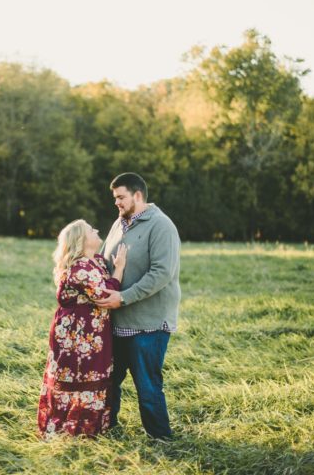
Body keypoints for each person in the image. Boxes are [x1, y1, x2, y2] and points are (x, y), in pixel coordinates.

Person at [94, 172, 181, 440]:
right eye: (115, 198)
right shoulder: (119, 223)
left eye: (121, 197)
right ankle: (107, 430)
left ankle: (161, 440)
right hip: (118, 322)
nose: (117, 203)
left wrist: (123, 297)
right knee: (108, 382)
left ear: (138, 195)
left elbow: (161, 273)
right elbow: (104, 260)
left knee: (147, 387)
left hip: (149, 324)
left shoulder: (161, 225)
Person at [37, 219, 127, 438]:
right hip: (77, 337)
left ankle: (88, 428)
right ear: (81, 240)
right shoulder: (80, 267)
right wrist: (120, 268)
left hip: (91, 333)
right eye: (91, 230)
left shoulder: (95, 261)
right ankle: (69, 430)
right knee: (78, 378)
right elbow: (105, 296)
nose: (96, 230)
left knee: (91, 377)